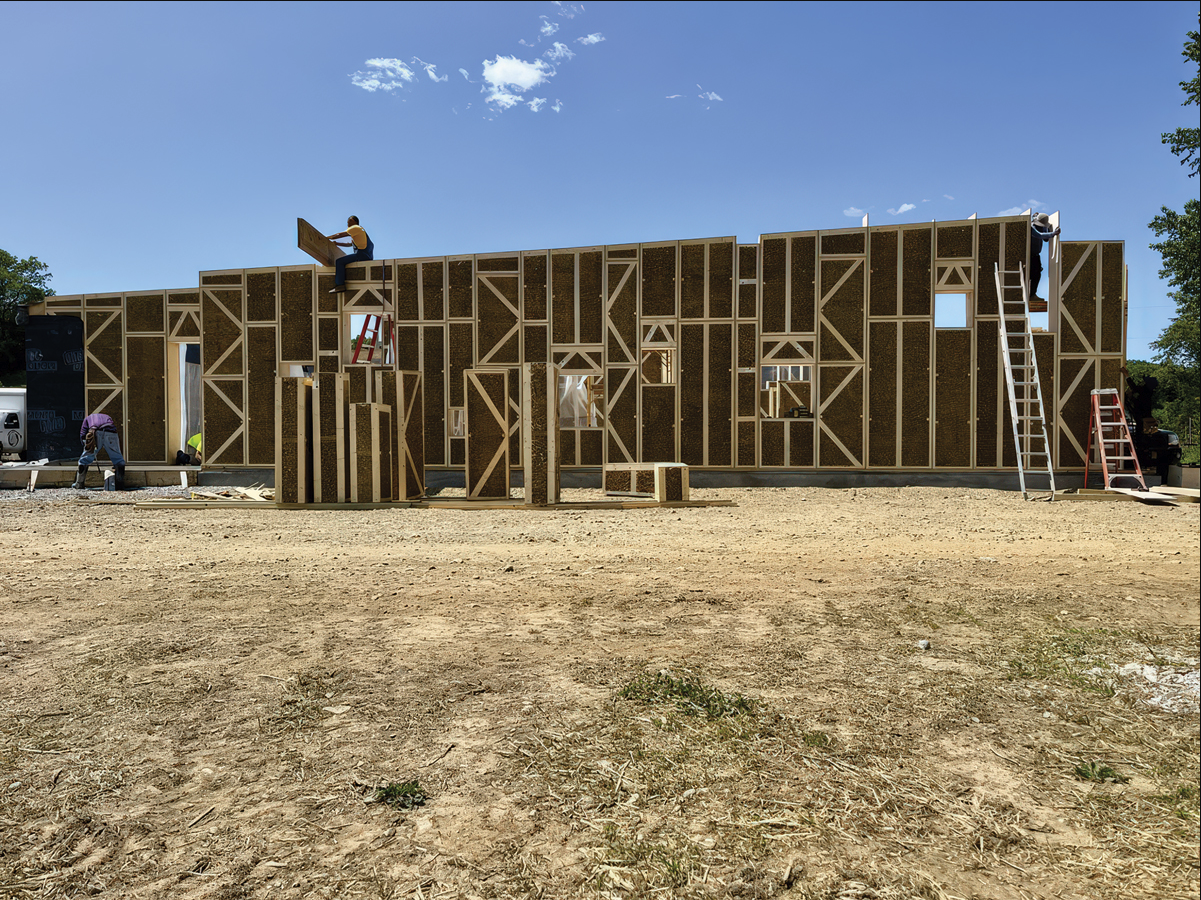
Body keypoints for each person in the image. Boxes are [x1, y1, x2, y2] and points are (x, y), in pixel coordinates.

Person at [74, 411, 125, 489]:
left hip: (95, 433)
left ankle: (79, 483)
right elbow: (114, 429)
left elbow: (83, 433)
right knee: (118, 459)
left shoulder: (88, 418)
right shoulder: (107, 416)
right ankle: (120, 485)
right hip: (111, 433)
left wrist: (87, 447)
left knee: (84, 460)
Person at [325, 216, 374, 293]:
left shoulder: (355, 227)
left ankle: (340, 285)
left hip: (361, 256)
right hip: (367, 257)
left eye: (349, 221)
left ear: (354, 221)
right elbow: (349, 245)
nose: (347, 224)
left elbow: (340, 234)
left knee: (339, 262)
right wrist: (337, 243)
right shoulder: (360, 232)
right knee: (344, 260)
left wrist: (327, 238)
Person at [1029, 213, 1061, 305]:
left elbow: (1046, 239)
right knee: (1030, 275)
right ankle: (1029, 294)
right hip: (1028, 255)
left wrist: (1050, 229)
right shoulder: (1031, 226)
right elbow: (1039, 235)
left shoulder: (1042, 227)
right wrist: (1053, 233)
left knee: (1036, 275)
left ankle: (1032, 294)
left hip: (1035, 255)